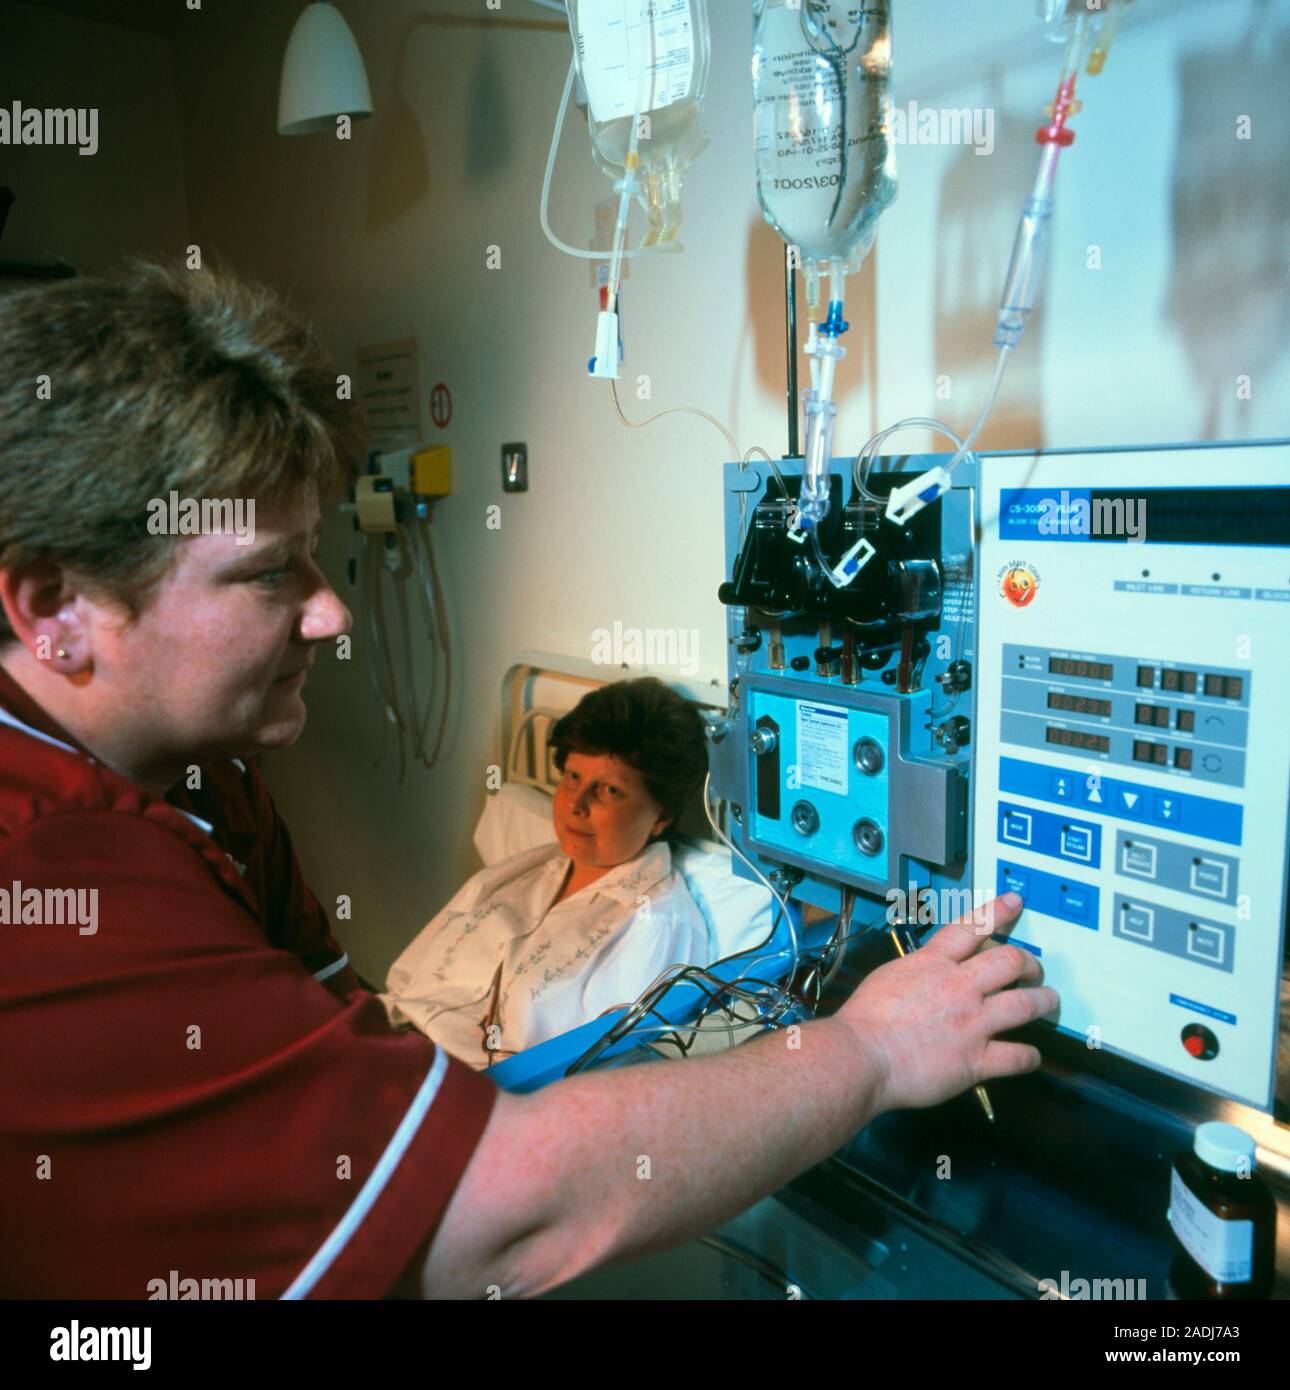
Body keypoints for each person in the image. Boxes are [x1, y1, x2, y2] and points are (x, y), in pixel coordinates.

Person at [0, 260, 1056, 1300]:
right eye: (271, 571)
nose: (333, 613)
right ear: (54, 611)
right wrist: (868, 1051)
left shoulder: (205, 780)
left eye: (314, 556)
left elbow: (361, 1041)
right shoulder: (54, 886)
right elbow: (499, 1212)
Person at [381, 679, 713, 1067]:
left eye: (609, 790)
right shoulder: (520, 869)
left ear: (662, 817)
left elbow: (600, 1073)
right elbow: (404, 980)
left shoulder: (655, 923)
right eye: (573, 777)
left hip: (473, 1093)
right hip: (390, 1040)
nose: (576, 804)